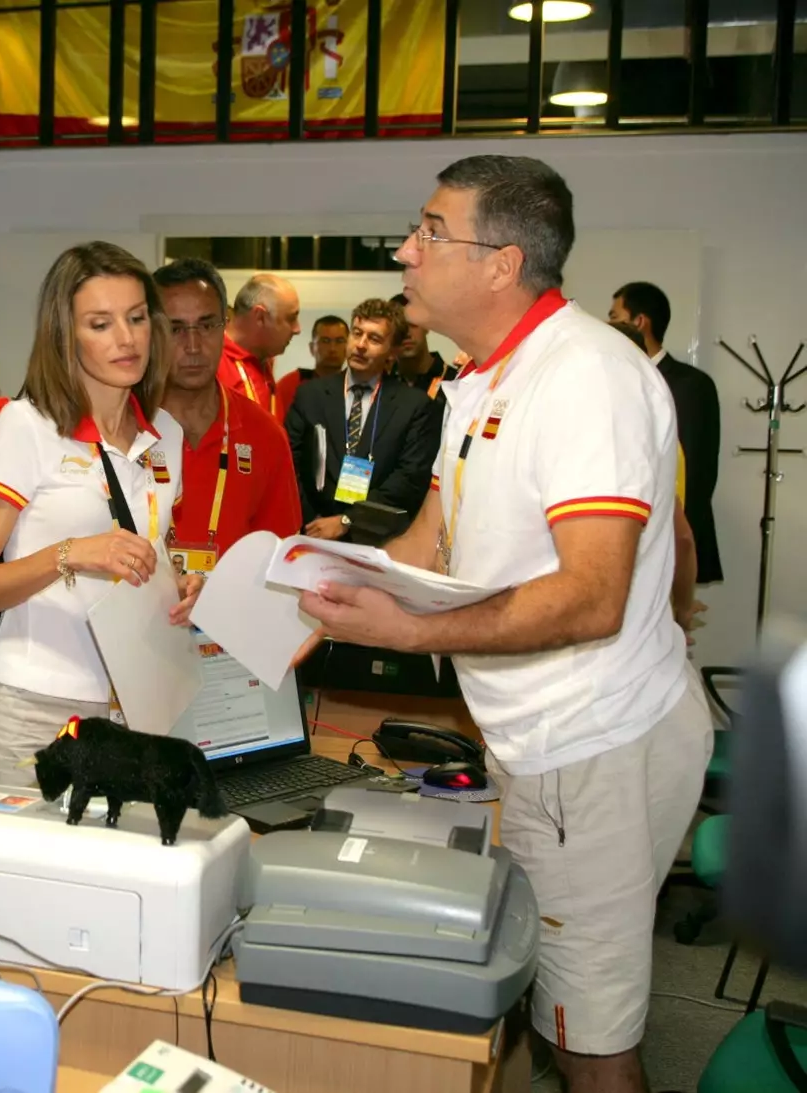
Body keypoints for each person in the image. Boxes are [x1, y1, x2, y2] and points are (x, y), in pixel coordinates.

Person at [300, 154, 712, 1093]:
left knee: (590, 1032)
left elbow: (590, 593)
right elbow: (430, 543)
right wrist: (290, 581)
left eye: (430, 231)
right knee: (544, 996)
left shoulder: (584, 379)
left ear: (501, 261)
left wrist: (409, 634)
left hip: (592, 744)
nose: (405, 250)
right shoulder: (481, 381)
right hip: (536, 738)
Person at [0, 242, 202, 785]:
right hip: (33, 709)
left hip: (134, 712)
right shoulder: (26, 426)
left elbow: (147, 553)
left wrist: (179, 586)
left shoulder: (168, 437)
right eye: (100, 323)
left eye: (136, 318)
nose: (127, 338)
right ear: (66, 335)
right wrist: (73, 554)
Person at [152, 257, 302, 557]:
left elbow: (278, 554)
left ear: (225, 325)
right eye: (176, 328)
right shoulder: (121, 427)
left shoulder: (265, 435)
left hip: (234, 603)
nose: (193, 345)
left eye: (206, 325)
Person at [285, 298, 438, 541]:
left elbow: (409, 479)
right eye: (357, 334)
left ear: (393, 350)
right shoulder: (310, 394)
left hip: (379, 538)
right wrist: (312, 519)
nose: (361, 345)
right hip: (315, 533)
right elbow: (288, 462)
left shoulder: (413, 406)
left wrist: (348, 521)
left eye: (375, 339)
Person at [610, 281, 723, 584]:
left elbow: (695, 472)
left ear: (639, 322)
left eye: (614, 316)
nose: (608, 327)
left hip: (669, 541)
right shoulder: (615, 379)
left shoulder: (689, 385)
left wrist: (680, 554)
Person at [610, 321, 701, 638]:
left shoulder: (625, 435)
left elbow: (682, 537)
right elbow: (683, 540)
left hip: (624, 606)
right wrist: (684, 604)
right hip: (647, 602)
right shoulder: (660, 432)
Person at [218, 272, 301, 417]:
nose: (297, 329)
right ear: (260, 317)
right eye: (291, 319)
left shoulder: (264, 359)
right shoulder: (212, 365)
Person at [271, 314, 348, 423]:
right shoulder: (292, 384)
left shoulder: (356, 387)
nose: (332, 349)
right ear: (312, 348)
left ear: (349, 347)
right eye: (325, 341)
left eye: (339, 341)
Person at [389, 291, 452, 399]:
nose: (406, 333)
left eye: (412, 323)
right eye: (399, 327)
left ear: (426, 325)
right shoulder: (382, 382)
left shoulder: (455, 380)